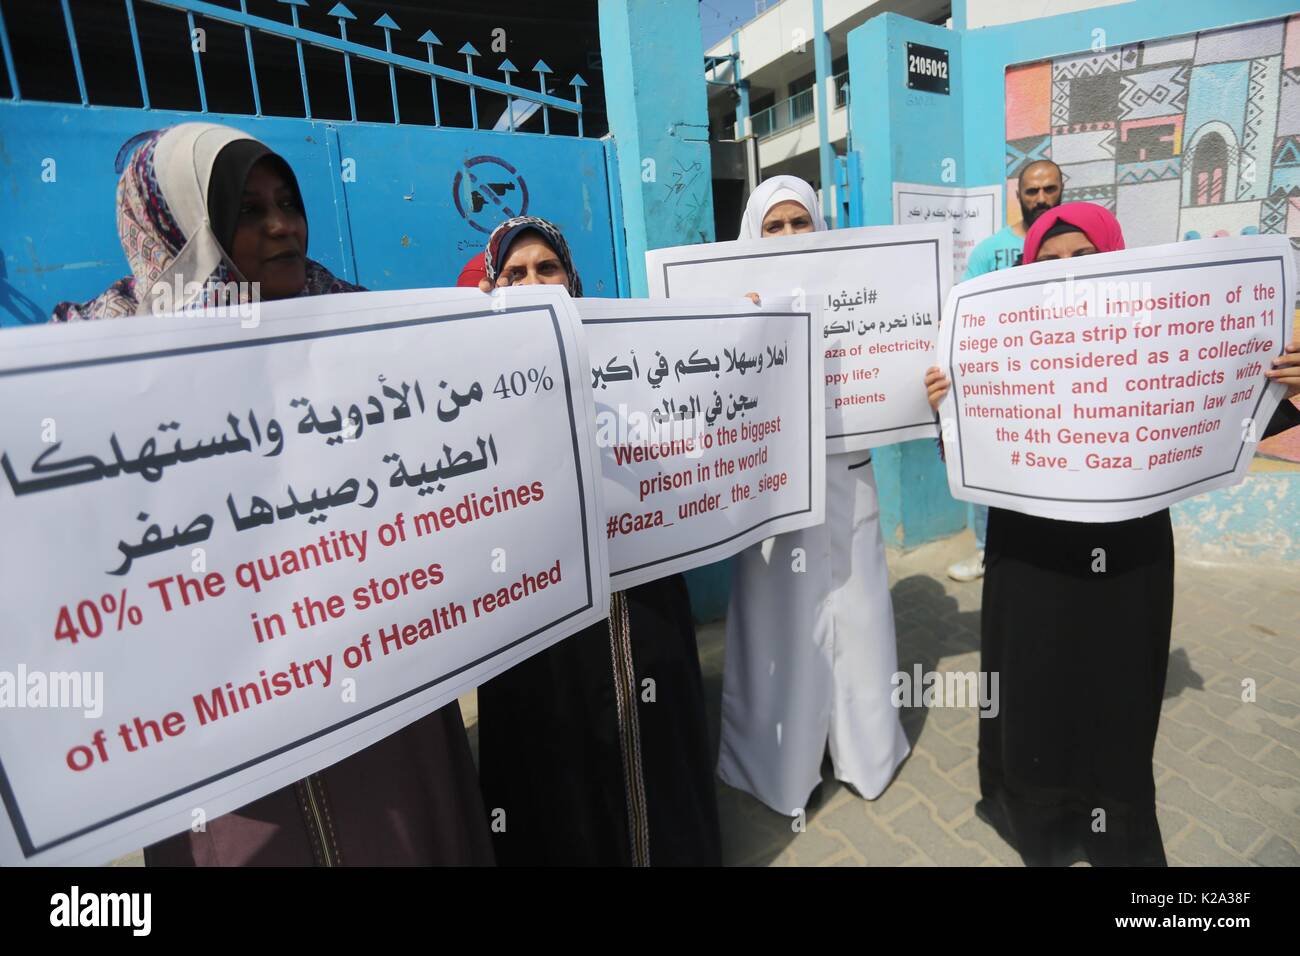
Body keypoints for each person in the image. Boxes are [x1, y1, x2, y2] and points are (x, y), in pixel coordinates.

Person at [54, 122, 494, 866]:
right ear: (181, 225)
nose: (283, 224)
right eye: (247, 211)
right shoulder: (93, 364)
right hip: (216, 724)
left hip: (377, 687)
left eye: (287, 201)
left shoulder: (362, 328)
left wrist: (502, 336)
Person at [923, 201, 1300, 866]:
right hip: (1028, 559)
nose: (1068, 274)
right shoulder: (1002, 342)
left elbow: (1247, 414)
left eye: (1085, 258)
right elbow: (960, 457)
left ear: (1118, 262)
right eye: (1050, 261)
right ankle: (1041, 830)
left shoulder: (1162, 337)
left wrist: (1285, 381)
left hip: (1126, 563)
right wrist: (947, 405)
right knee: (1032, 701)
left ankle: (1116, 836)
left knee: (1116, 705)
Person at [466, 215, 722, 866]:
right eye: (514, 273)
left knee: (649, 740)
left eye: (546, 268)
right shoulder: (466, 381)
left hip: (637, 592)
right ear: (492, 286)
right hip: (539, 615)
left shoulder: (620, 354)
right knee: (559, 754)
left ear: (571, 279)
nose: (533, 283)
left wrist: (743, 336)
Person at [719, 176, 910, 817]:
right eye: (774, 226)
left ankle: (866, 750)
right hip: (771, 490)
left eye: (801, 223)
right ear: (754, 235)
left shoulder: (856, 295)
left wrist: (924, 388)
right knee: (783, 622)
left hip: (847, 473)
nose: (790, 237)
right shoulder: (730, 302)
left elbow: (895, 361)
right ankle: (779, 759)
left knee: (856, 613)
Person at [947, 159, 1063, 583]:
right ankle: (986, 552)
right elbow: (963, 314)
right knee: (989, 467)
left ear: (1062, 189)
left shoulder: (1081, 245)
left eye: (1049, 188)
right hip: (1001, 391)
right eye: (1032, 191)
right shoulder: (987, 251)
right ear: (1018, 196)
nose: (1041, 198)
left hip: (1065, 389)